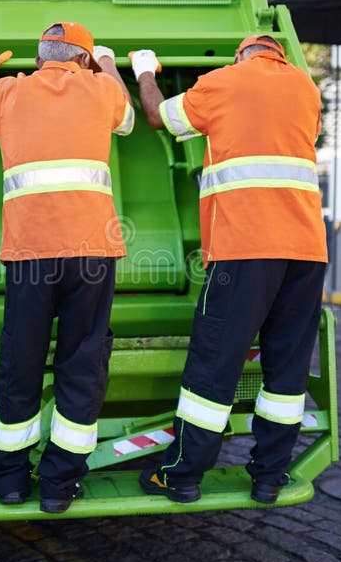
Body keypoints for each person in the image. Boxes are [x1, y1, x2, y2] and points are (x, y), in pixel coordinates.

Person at [128, 35, 327, 504]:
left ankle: (182, 476)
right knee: (287, 372)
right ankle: (269, 477)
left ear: (241, 55)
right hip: (306, 251)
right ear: (278, 54)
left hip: (244, 249)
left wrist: (144, 72)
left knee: (215, 365)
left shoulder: (224, 83)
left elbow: (158, 116)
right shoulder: (306, 88)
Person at [0, 22, 134, 513]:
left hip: (30, 253)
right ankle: (60, 483)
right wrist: (111, 64)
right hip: (92, 251)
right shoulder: (101, 89)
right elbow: (128, 116)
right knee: (83, 360)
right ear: (85, 61)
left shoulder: (7, 92)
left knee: (21, 361)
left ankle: (10, 478)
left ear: (40, 58)